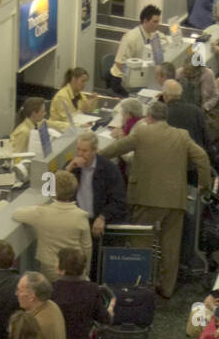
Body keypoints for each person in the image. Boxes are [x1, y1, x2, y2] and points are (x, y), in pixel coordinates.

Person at [100, 100, 211, 298]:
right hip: (175, 200)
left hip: (146, 198)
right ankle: (166, 288)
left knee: (140, 244)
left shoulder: (142, 132)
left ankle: (139, 287)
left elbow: (117, 148)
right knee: (170, 246)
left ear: (148, 118)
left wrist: (95, 156)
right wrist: (204, 184)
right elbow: (202, 157)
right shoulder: (182, 135)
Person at [12, 169, 92, 283]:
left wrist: (38, 207)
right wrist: (86, 271)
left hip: (49, 269)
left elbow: (16, 213)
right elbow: (87, 247)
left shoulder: (41, 213)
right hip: (75, 269)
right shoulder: (81, 216)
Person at [52, 248, 113, 339]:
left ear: (62, 269)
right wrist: (110, 312)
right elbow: (103, 319)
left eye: (56, 261)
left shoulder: (52, 290)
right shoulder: (92, 289)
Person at [66, 131, 128, 240]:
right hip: (76, 223)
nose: (80, 154)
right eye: (78, 150)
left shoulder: (109, 169)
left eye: (84, 151)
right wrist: (69, 168)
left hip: (98, 224)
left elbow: (119, 200)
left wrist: (103, 217)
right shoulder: (73, 167)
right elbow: (50, 189)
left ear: (94, 150)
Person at [110, 4, 162, 90]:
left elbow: (163, 38)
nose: (158, 25)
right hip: (121, 79)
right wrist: (135, 77)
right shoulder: (130, 38)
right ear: (145, 21)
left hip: (141, 75)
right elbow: (119, 64)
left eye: (158, 22)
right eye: (155, 22)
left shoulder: (153, 33)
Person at [15, 271, 68, 339]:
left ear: (32, 296)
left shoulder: (34, 325)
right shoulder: (52, 305)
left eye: (20, 290)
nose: (16, 294)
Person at [161, 79, 211, 155]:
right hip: (196, 158)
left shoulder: (163, 115)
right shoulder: (196, 110)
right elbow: (206, 138)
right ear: (180, 94)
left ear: (165, 96)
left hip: (175, 160)